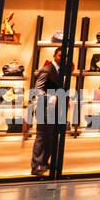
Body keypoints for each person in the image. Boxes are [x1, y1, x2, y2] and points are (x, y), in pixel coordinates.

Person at [30, 45, 65, 177]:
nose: (62, 59)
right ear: (54, 56)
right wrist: (51, 96)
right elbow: (38, 90)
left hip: (55, 109)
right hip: (44, 108)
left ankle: (44, 163)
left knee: (51, 137)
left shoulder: (61, 71)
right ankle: (35, 166)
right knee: (41, 137)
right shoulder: (46, 70)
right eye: (60, 56)